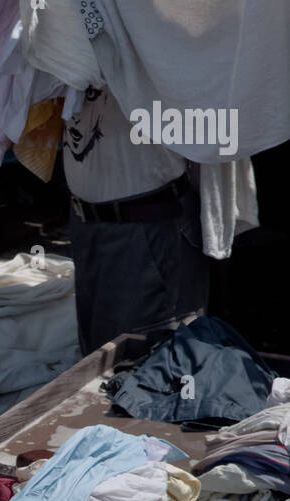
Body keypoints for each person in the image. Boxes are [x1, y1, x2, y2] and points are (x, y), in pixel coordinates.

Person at [63, 85, 209, 356]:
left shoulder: (153, 45)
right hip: (90, 224)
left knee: (144, 359)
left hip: (144, 226)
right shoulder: (70, 49)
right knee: (100, 355)